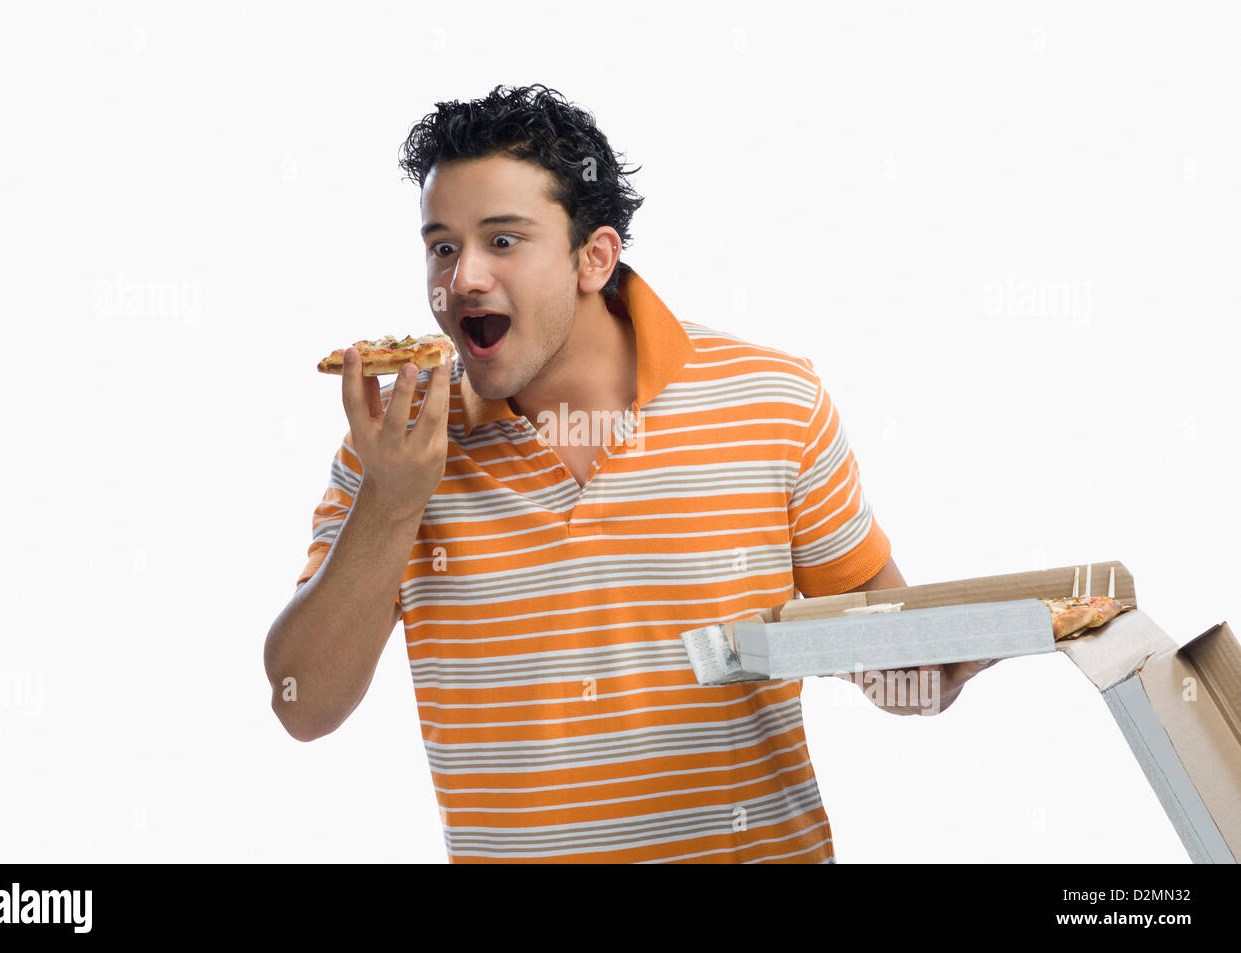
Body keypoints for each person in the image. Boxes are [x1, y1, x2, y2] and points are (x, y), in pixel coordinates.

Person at [263, 84, 993, 863]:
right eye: (441, 246)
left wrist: (947, 661)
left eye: (502, 241)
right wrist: (392, 499)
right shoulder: (392, 447)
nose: (462, 278)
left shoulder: (772, 400)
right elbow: (302, 702)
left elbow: (891, 662)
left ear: (594, 256)